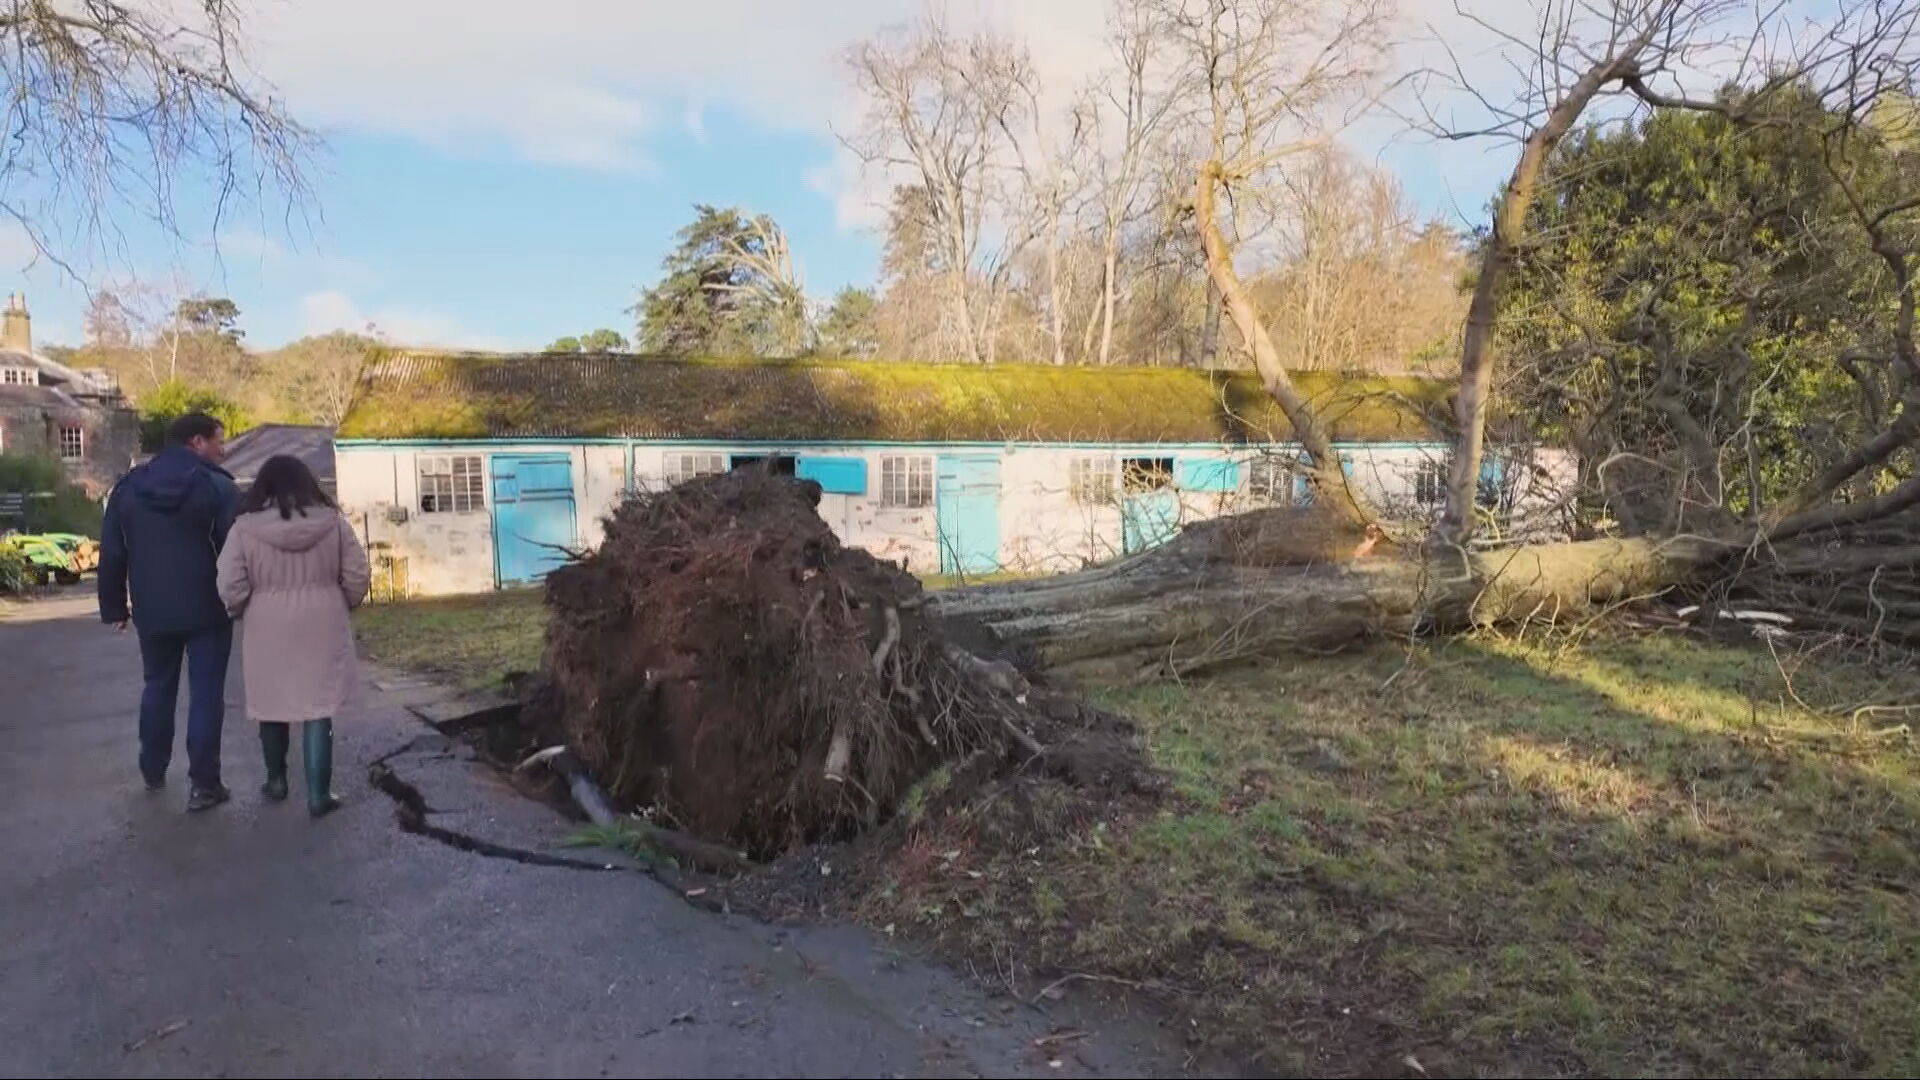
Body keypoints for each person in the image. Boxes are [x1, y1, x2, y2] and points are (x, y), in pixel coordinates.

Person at [99, 412, 240, 812]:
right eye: (218, 441)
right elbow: (237, 549)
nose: (222, 449)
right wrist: (242, 595)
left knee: (158, 685)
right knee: (207, 693)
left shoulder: (127, 489)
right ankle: (204, 784)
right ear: (196, 442)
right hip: (208, 607)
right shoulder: (217, 487)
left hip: (153, 609)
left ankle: (153, 768)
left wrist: (114, 607)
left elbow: (112, 551)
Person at [216, 455, 371, 817]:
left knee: (272, 704)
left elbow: (229, 583)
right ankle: (319, 794)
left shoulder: (243, 529)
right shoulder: (333, 524)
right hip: (323, 620)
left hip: (266, 624)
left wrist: (241, 608)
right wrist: (341, 602)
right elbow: (357, 575)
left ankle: (276, 780)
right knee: (319, 708)